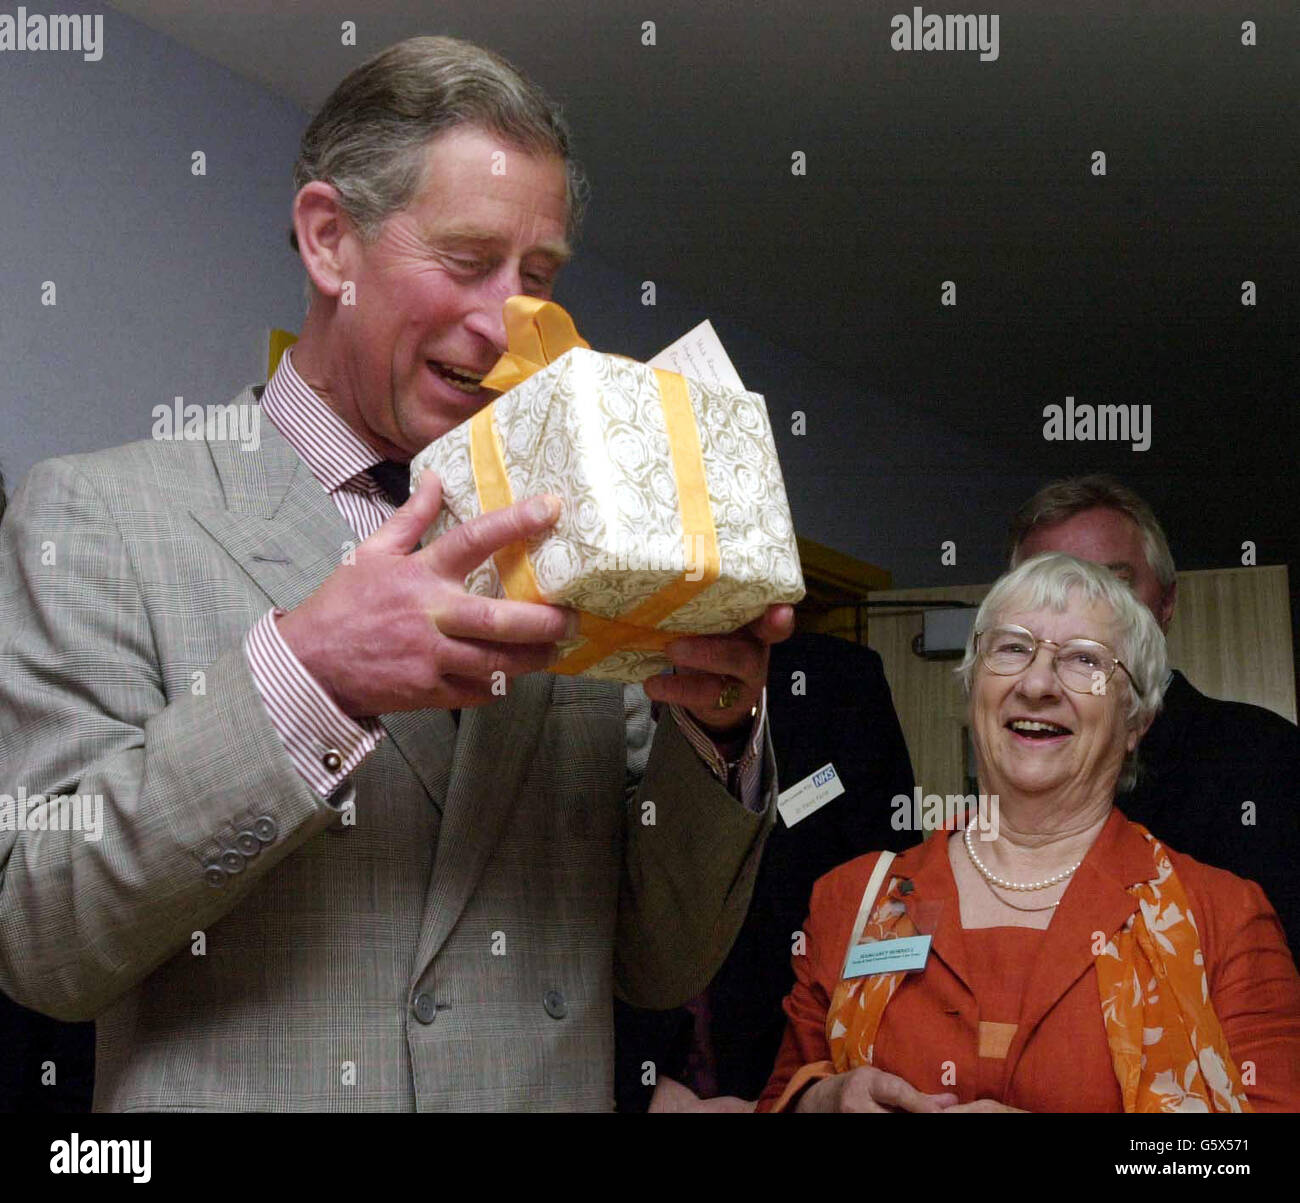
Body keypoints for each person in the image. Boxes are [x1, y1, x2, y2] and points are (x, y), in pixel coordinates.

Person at [0, 36, 793, 1112]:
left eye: (541, 279)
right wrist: (308, 676)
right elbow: (44, 947)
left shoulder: (581, 542)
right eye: (468, 263)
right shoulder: (99, 516)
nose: (509, 326)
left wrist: (716, 728)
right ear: (330, 241)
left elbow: (661, 969)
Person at [758, 553, 1300, 1112]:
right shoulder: (854, 900)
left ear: (1136, 720)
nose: (1037, 682)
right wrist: (822, 1101)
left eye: (1086, 660)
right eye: (1012, 648)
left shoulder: (1222, 918)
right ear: (973, 689)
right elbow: (780, 1096)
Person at [614, 631, 916, 1111]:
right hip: (622, 1073)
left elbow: (894, 897)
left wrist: (811, 1085)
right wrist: (637, 1085)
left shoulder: (839, 681)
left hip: (791, 1065)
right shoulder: (585, 677)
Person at [1009, 475, 1300, 960]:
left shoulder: (1266, 759)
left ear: (1165, 605)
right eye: (1050, 591)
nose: (1081, 613)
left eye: (1114, 585)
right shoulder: (1013, 766)